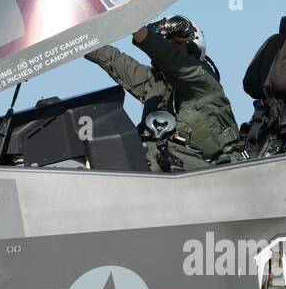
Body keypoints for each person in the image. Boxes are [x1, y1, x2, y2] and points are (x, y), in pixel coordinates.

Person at [85, 16, 243, 172]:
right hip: (169, 166)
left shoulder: (202, 79)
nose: (171, 46)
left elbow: (169, 57)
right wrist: (81, 37)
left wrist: (133, 24)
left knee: (152, 156)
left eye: (178, 42)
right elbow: (113, 60)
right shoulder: (157, 84)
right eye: (166, 42)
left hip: (218, 170)